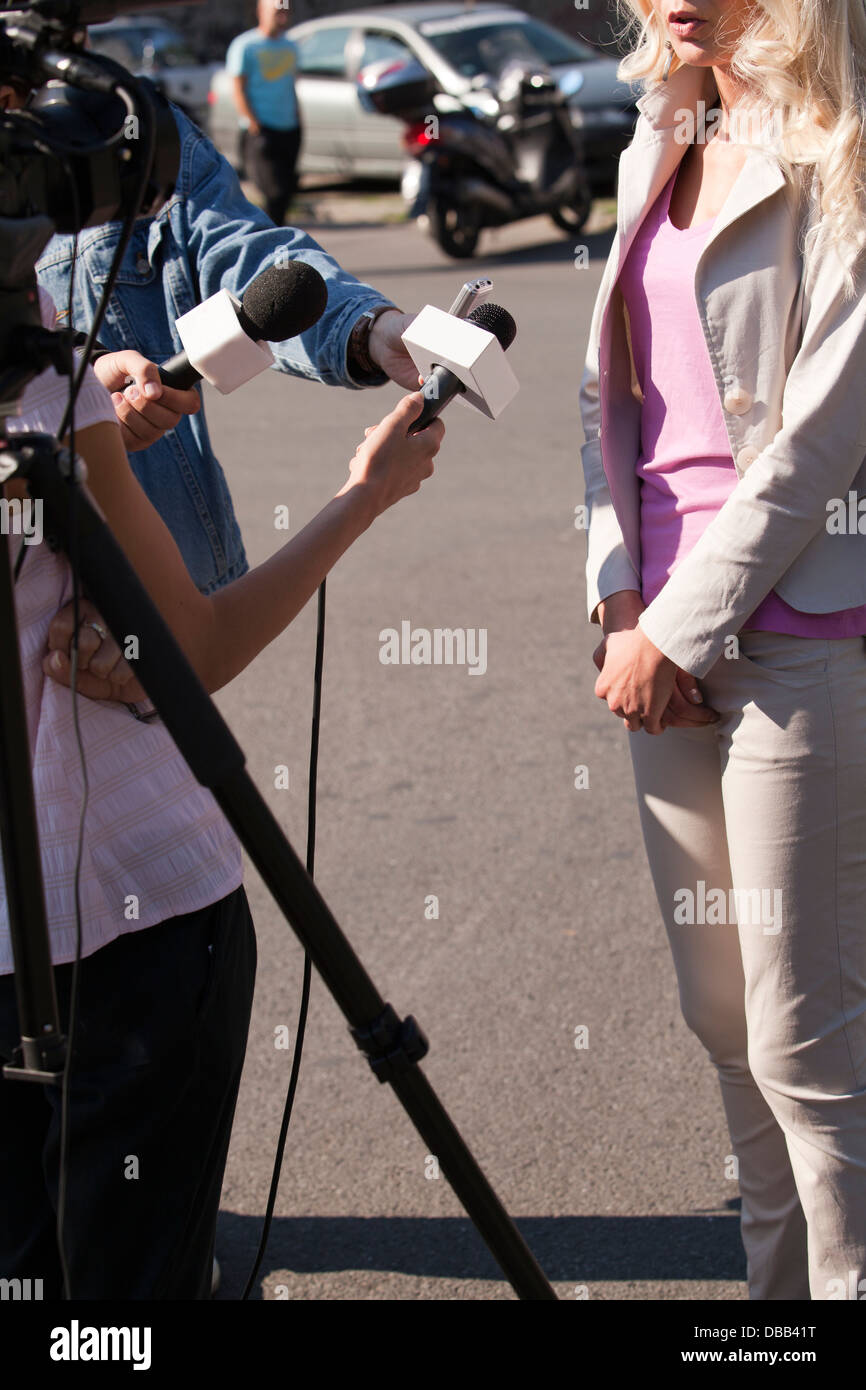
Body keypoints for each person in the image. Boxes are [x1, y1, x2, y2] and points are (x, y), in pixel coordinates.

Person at [0, 287, 443, 1300]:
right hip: (131, 922)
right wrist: (363, 494)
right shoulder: (42, 399)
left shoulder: (59, 404)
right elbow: (196, 648)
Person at [581, 0, 866, 1299]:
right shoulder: (657, 130)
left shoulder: (837, 140)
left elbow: (819, 436)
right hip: (652, 638)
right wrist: (614, 592)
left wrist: (676, 622)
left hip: (790, 626)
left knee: (805, 1036)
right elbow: (609, 396)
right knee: (721, 1021)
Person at [226, 0, 302, 226]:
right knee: (273, 192)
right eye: (278, 9)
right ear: (261, 10)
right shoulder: (246, 46)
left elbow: (290, 85)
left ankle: (277, 241)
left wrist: (298, 117)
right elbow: (238, 88)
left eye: (286, 9)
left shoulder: (291, 46)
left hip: (289, 127)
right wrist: (254, 124)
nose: (283, 14)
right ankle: (269, 243)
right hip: (262, 130)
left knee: (286, 193)